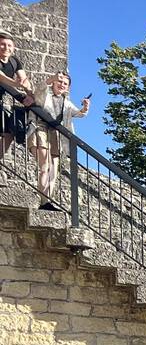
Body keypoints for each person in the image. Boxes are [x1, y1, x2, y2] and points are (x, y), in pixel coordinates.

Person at [27, 72, 90, 210]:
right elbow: (39, 89)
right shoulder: (46, 94)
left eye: (65, 84)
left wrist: (85, 107)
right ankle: (43, 200)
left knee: (54, 170)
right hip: (40, 130)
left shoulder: (66, 102)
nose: (62, 85)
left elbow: (79, 113)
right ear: (54, 83)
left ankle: (47, 200)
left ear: (68, 88)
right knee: (45, 166)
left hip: (55, 135)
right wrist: (51, 79)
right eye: (60, 82)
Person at [0, 30, 35, 160]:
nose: (6, 48)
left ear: (13, 48)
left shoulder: (14, 61)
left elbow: (24, 80)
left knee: (8, 132)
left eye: (9, 45)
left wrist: (30, 95)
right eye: (2, 44)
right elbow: (2, 78)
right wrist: (16, 84)